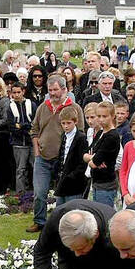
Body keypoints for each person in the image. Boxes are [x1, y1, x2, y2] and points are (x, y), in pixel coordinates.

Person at [33, 200, 135, 269]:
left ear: (95, 235)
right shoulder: (56, 220)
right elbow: (41, 251)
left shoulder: (115, 232)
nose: (77, 254)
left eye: (81, 248)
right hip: (70, 262)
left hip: (110, 263)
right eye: (71, 248)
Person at [29, 74, 84, 233]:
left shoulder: (74, 108)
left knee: (64, 195)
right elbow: (34, 130)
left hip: (65, 161)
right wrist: (37, 151)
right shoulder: (42, 107)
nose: (52, 93)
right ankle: (39, 221)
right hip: (43, 158)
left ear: (65, 89)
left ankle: (63, 224)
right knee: (40, 193)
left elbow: (79, 134)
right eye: (50, 90)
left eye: (55, 90)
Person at [52, 106, 89, 206]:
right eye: (63, 123)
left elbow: (82, 162)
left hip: (75, 182)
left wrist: (72, 176)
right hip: (63, 178)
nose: (66, 126)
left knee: (72, 209)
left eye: (68, 123)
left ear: (75, 121)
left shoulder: (81, 138)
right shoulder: (63, 136)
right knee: (60, 208)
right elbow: (62, 155)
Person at [6, 82, 36, 193]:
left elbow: (35, 122)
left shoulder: (31, 104)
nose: (17, 95)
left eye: (19, 92)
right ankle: (20, 192)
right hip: (18, 142)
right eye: (14, 93)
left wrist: (21, 125)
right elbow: (11, 126)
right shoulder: (10, 107)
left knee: (35, 167)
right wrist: (26, 127)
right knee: (20, 169)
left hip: (32, 142)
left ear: (23, 91)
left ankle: (36, 190)